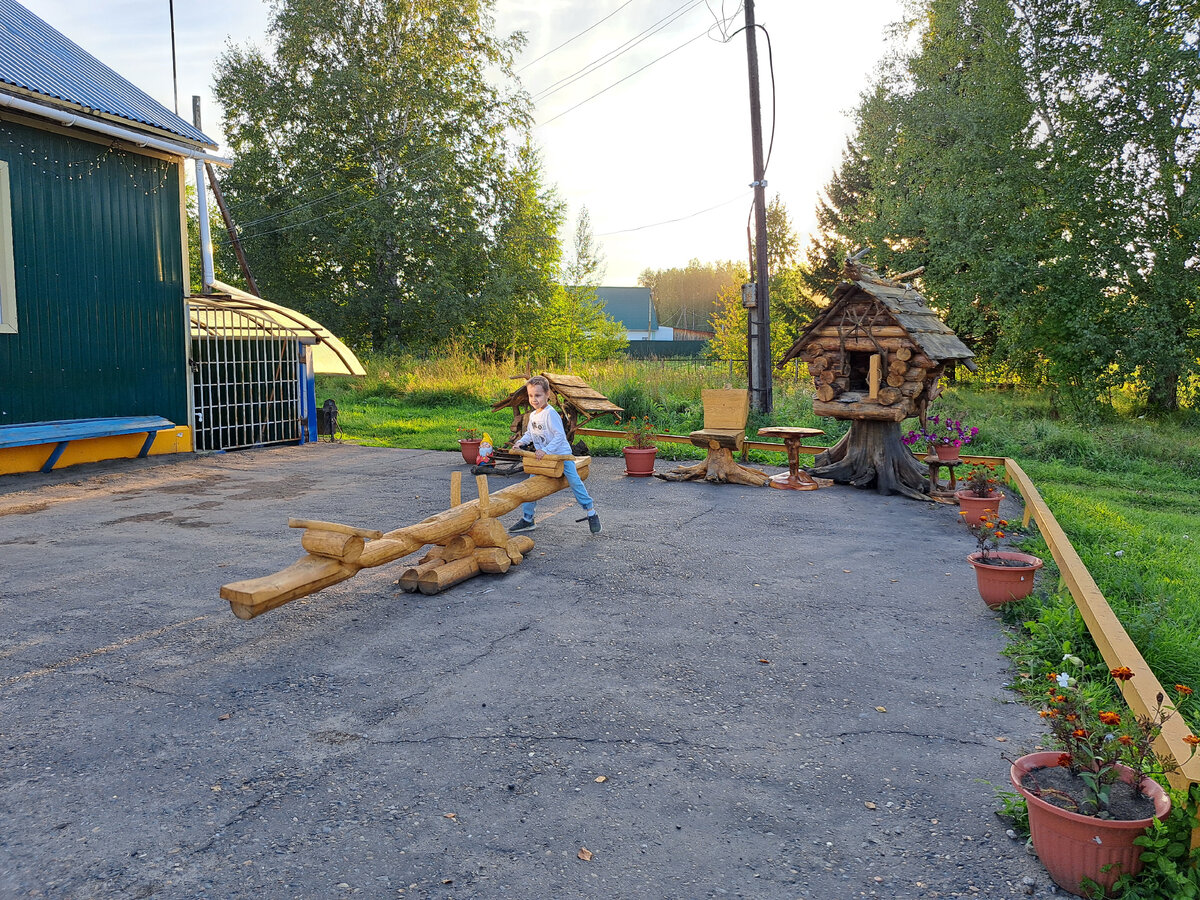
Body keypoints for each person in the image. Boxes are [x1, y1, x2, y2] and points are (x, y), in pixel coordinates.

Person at [509, 375, 600, 534]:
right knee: (532, 486)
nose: (534, 399)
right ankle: (527, 519)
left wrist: (546, 450)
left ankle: (591, 512)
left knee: (574, 481)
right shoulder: (533, 415)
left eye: (538, 395)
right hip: (543, 459)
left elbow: (559, 436)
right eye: (531, 396)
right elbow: (530, 433)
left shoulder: (550, 414)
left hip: (560, 456)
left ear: (547, 395)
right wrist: (521, 442)